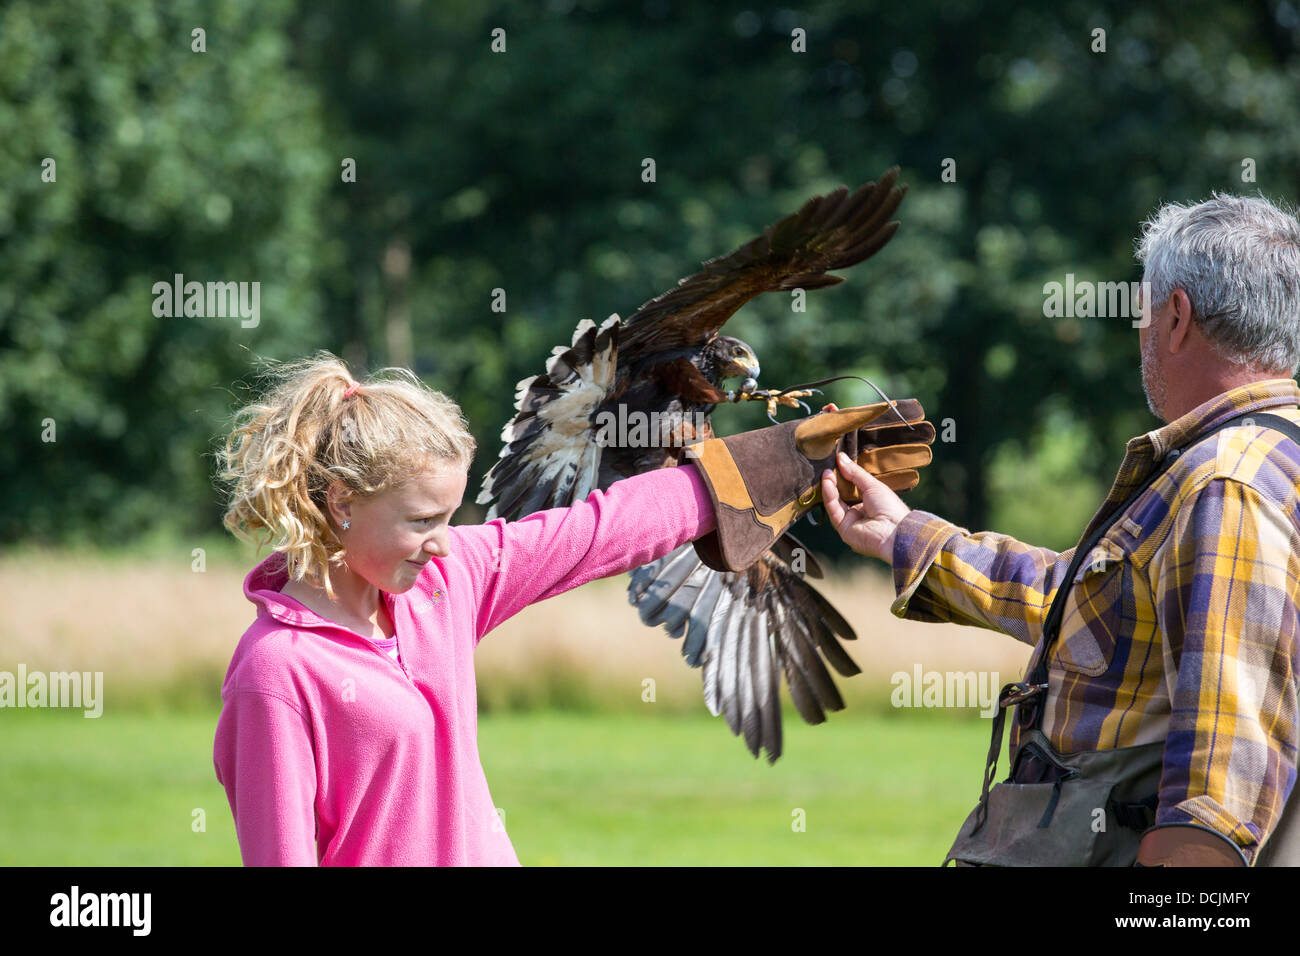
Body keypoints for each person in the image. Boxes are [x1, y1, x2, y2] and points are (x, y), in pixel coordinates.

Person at [211, 350, 921, 865]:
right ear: (342, 503)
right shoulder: (277, 673)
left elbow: (600, 530)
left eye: (450, 517)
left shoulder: (444, 584)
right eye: (422, 520)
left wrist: (782, 461)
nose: (442, 543)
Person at [818, 191, 1300, 866]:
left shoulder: (1226, 483)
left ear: (1177, 316)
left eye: (1144, 310)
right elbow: (1083, 604)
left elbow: (1220, 786)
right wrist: (905, 535)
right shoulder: (1264, 460)